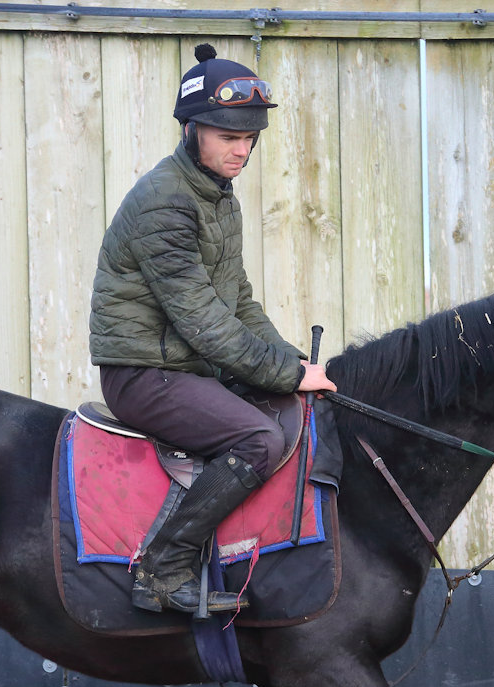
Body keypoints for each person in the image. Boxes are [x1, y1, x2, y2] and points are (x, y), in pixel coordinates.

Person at [89, 44, 335, 616]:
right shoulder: (165, 202)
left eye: (250, 138)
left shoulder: (217, 197)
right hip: (146, 375)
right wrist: (286, 372)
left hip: (188, 368)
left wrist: (296, 363)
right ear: (192, 129)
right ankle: (162, 567)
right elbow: (202, 320)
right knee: (260, 439)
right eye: (228, 137)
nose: (242, 150)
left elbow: (238, 301)